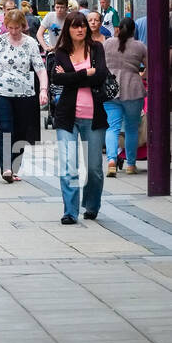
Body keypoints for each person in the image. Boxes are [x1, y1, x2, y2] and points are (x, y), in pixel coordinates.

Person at [50, 12, 108, 224]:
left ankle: (92, 205)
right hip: (67, 117)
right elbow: (57, 78)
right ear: (68, 29)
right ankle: (70, 212)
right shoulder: (62, 52)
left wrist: (72, 78)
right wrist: (85, 74)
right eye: (75, 26)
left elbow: (101, 75)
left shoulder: (97, 49)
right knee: (68, 167)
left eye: (83, 25)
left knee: (93, 169)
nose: (80, 29)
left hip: (94, 117)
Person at [0, 9, 48, 182]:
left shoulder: (31, 43)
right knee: (5, 127)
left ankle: (14, 166)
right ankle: (7, 168)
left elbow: (40, 68)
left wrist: (43, 90)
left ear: (23, 26)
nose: (13, 31)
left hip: (25, 92)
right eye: (10, 28)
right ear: (5, 26)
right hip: (0, 91)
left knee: (21, 131)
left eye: (17, 28)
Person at [103, 16, 147, 177]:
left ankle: (111, 161)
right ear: (133, 31)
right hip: (133, 89)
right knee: (131, 128)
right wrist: (141, 76)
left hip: (110, 90)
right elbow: (148, 68)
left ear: (118, 29)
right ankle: (130, 164)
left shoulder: (107, 43)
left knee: (112, 127)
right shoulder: (139, 46)